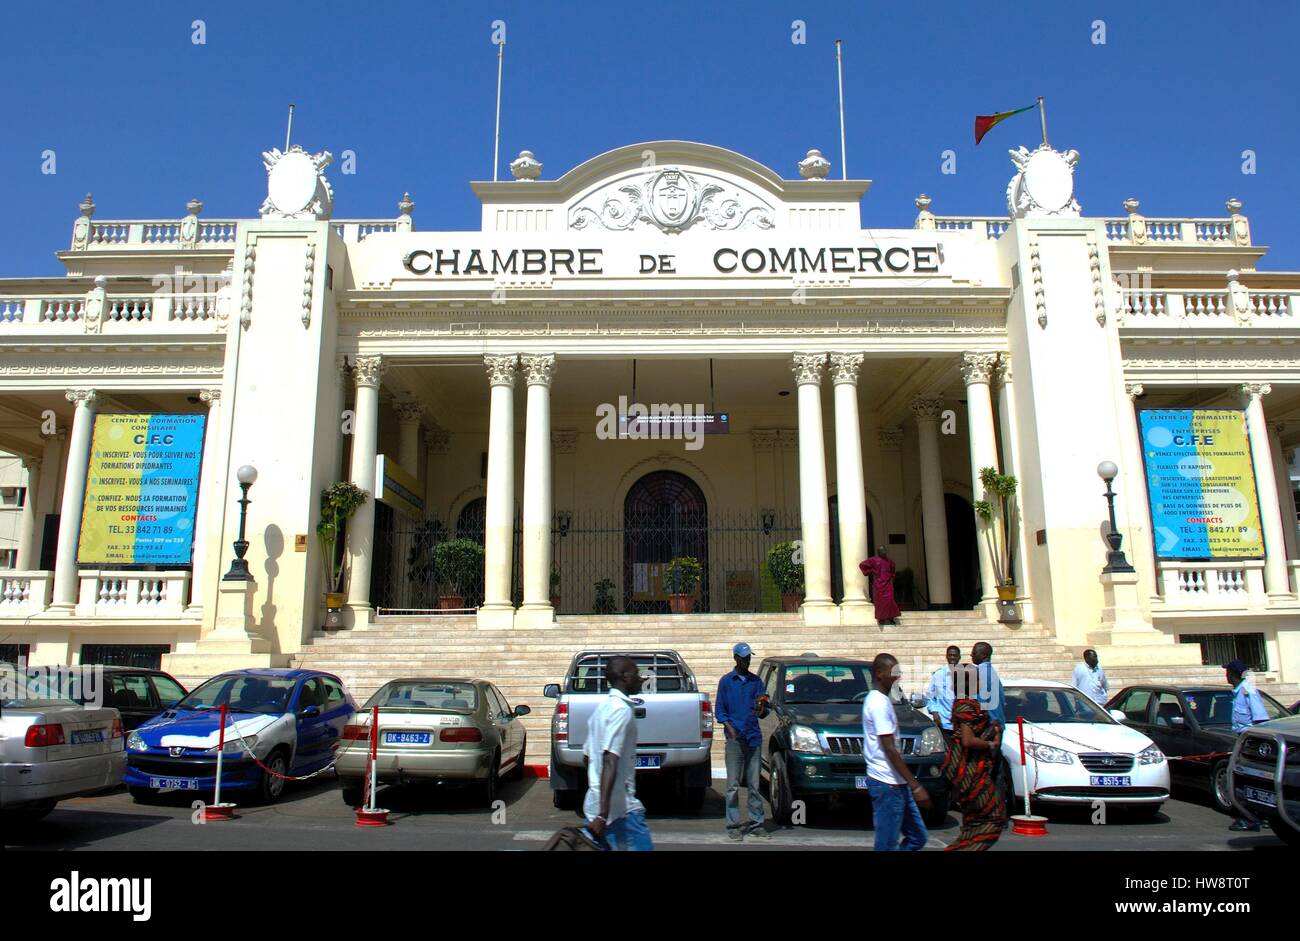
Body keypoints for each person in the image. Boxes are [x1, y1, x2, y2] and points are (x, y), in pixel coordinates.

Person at [862, 652, 931, 851]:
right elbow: (889, 749)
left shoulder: (883, 701)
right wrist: (915, 786)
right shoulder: (878, 703)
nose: (898, 676)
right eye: (893, 672)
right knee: (886, 845)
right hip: (887, 784)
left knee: (918, 837)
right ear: (879, 673)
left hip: (897, 783)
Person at [584, 656, 653, 851]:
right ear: (624, 676)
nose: (640, 678)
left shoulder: (601, 709)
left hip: (596, 805)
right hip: (620, 812)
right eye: (636, 674)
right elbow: (609, 759)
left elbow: (587, 757)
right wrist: (603, 814)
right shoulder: (621, 710)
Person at [941, 664, 1005, 851]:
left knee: (973, 822)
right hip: (969, 771)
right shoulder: (966, 705)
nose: (981, 682)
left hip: (974, 768)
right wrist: (991, 744)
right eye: (977, 678)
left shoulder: (969, 703)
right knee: (994, 819)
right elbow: (968, 740)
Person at [715, 642, 771, 842]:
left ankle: (756, 824)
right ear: (736, 658)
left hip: (753, 737)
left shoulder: (756, 682)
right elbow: (720, 710)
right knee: (732, 785)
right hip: (735, 739)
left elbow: (763, 710)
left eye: (748, 658)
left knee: (754, 784)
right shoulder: (726, 682)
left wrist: (763, 708)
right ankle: (733, 825)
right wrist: (729, 728)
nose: (747, 661)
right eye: (743, 658)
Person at [1225, 659, 1271, 833]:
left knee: (1245, 779)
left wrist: (1253, 746)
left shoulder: (1248, 691)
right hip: (1243, 740)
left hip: (1250, 741)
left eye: (1228, 672)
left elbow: (1260, 720)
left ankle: (1250, 818)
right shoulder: (1238, 692)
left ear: (1232, 674)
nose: (1226, 675)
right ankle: (1257, 816)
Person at [926, 646, 962, 742]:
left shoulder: (965, 674)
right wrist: (935, 713)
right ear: (946, 656)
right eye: (950, 655)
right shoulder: (938, 674)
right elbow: (930, 696)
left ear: (959, 657)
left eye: (955, 655)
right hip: (943, 722)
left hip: (961, 724)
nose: (952, 658)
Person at [860, 546, 902, 626]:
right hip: (878, 585)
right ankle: (881, 618)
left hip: (888, 584)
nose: (884, 552)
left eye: (885, 550)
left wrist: (891, 576)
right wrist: (871, 571)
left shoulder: (889, 561)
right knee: (880, 602)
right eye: (882, 551)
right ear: (878, 552)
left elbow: (892, 569)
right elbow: (862, 565)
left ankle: (891, 617)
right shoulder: (873, 560)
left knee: (890, 600)